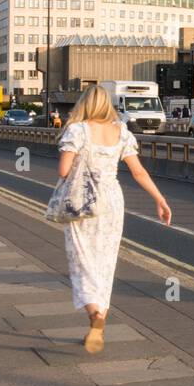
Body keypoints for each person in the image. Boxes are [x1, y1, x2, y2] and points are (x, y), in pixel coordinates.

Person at [57, 84, 171, 354]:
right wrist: (160, 199)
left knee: (82, 261)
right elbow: (138, 172)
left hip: (83, 199)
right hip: (112, 199)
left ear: (84, 104)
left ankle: (94, 314)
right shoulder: (122, 132)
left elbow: (63, 170)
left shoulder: (77, 130)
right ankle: (99, 323)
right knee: (106, 263)